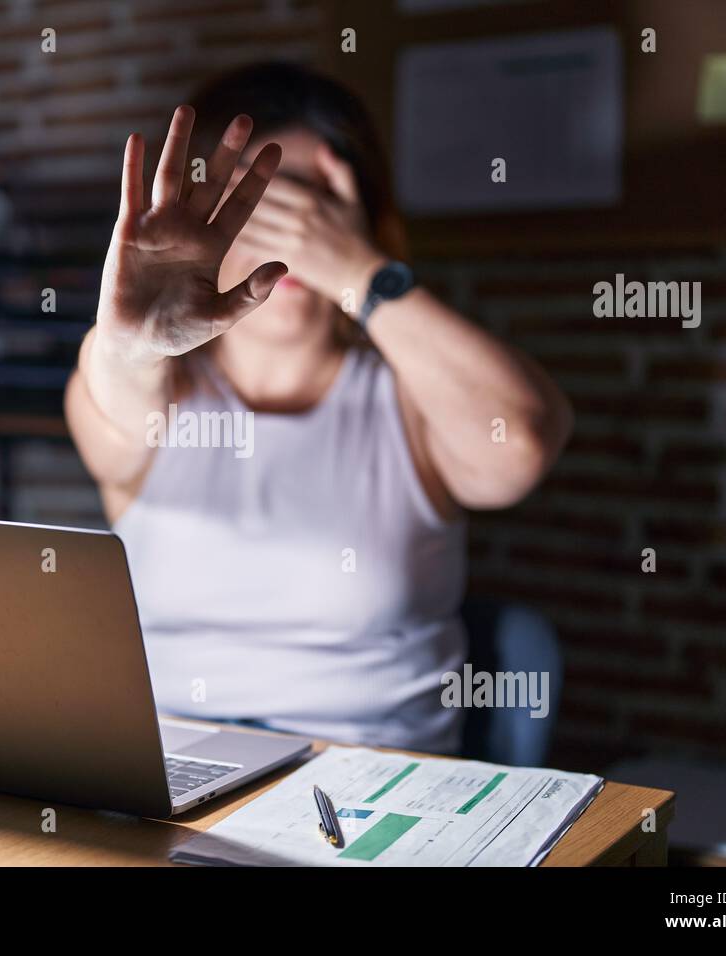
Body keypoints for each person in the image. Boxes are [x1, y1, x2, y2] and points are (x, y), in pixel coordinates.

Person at [64, 62, 572, 753]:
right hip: (168, 787)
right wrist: (133, 341)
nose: (289, 235)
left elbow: (520, 446)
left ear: (362, 218)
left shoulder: (413, 395)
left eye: (313, 205)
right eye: (254, 203)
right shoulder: (154, 392)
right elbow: (108, 399)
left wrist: (360, 274)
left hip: (374, 802)